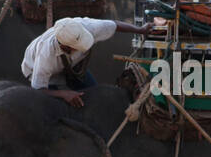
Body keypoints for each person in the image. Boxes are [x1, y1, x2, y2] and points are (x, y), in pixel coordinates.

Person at [22, 16, 151, 107]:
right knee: (57, 109)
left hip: (73, 68)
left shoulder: (88, 27)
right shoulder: (46, 55)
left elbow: (114, 25)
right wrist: (64, 94)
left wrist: (140, 30)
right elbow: (38, 90)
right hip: (41, 74)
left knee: (95, 99)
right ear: (65, 47)